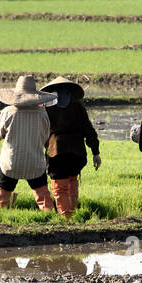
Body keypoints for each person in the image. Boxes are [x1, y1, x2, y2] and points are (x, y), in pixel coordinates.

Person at [0, 75, 56, 211]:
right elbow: (45, 138)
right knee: (43, 198)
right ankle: (53, 223)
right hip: (35, 163)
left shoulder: (9, 112)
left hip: (11, 163)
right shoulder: (42, 114)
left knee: (0, 199)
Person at [43, 76, 100, 216]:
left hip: (56, 151)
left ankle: (66, 217)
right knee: (72, 181)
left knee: (60, 186)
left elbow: (40, 131)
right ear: (69, 91)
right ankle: (71, 213)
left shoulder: (47, 107)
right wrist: (95, 152)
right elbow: (89, 130)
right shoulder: (77, 105)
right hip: (77, 152)